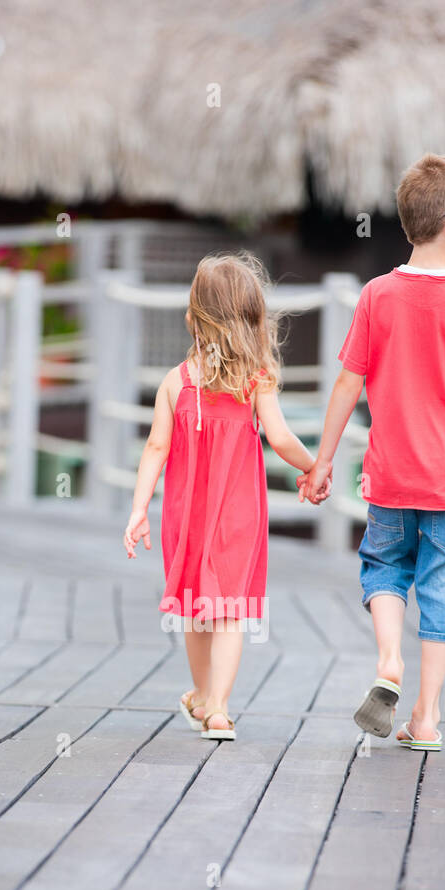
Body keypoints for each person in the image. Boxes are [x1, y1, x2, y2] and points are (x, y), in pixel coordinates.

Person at [298, 153, 445, 751]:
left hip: (391, 477)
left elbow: (348, 382)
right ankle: (425, 719)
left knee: (385, 567)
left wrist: (322, 461)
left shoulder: (377, 295)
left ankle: (390, 659)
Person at [124, 252, 330, 741]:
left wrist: (138, 511)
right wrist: (314, 467)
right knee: (230, 609)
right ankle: (218, 707)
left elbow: (155, 447)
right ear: (251, 319)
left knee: (196, 604)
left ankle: (201, 695)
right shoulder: (255, 378)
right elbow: (279, 439)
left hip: (185, 515)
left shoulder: (176, 383)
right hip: (239, 513)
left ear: (194, 317)